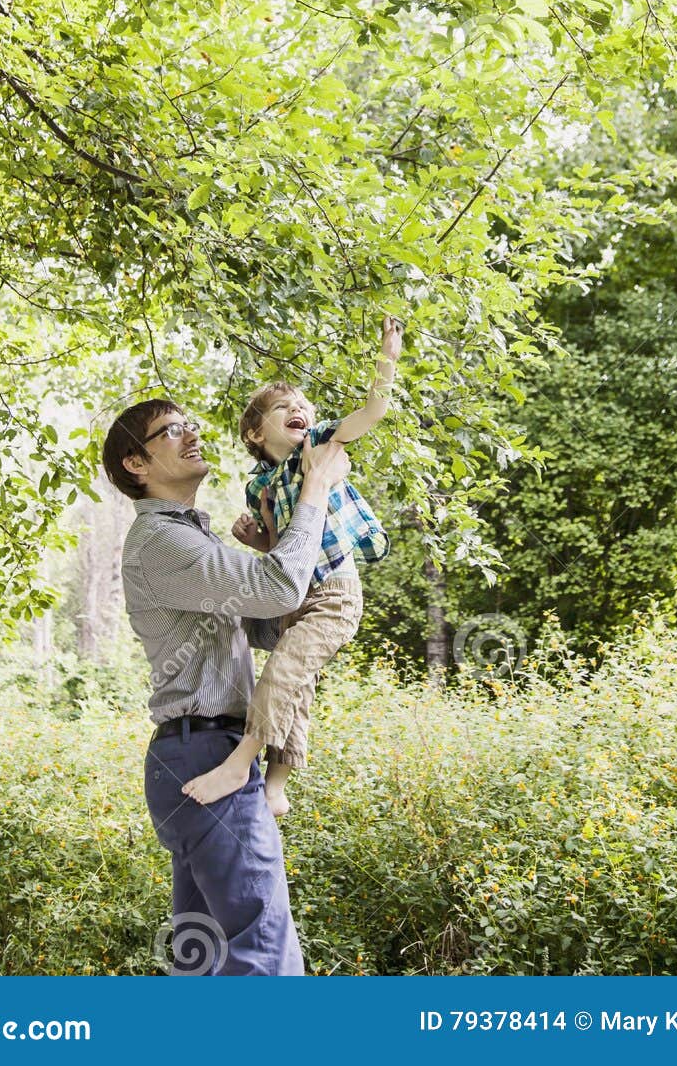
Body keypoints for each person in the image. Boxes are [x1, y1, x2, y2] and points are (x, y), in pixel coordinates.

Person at [106, 397, 351, 977]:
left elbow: (267, 621)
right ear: (136, 464)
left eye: (190, 424)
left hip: (194, 754)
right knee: (263, 960)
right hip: (207, 755)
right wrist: (314, 487)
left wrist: (317, 588)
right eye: (171, 431)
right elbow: (279, 589)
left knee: (204, 964)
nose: (191, 435)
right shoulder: (162, 541)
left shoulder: (194, 539)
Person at [181, 316, 402, 817]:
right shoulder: (259, 488)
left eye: (303, 405)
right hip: (293, 596)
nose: (298, 409)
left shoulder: (321, 446)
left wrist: (387, 356)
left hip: (335, 594)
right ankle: (277, 786)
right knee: (295, 688)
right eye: (284, 407)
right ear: (256, 433)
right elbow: (286, 549)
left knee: (280, 675)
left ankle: (241, 763)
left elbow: (373, 410)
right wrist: (259, 540)